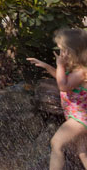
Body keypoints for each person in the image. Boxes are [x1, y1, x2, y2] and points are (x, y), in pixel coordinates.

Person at [28, 28, 87, 169]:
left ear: (73, 52)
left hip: (80, 119)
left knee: (57, 143)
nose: (60, 53)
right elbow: (63, 79)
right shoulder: (76, 70)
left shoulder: (81, 72)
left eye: (62, 50)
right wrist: (46, 66)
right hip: (77, 117)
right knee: (82, 152)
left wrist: (60, 65)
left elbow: (63, 86)